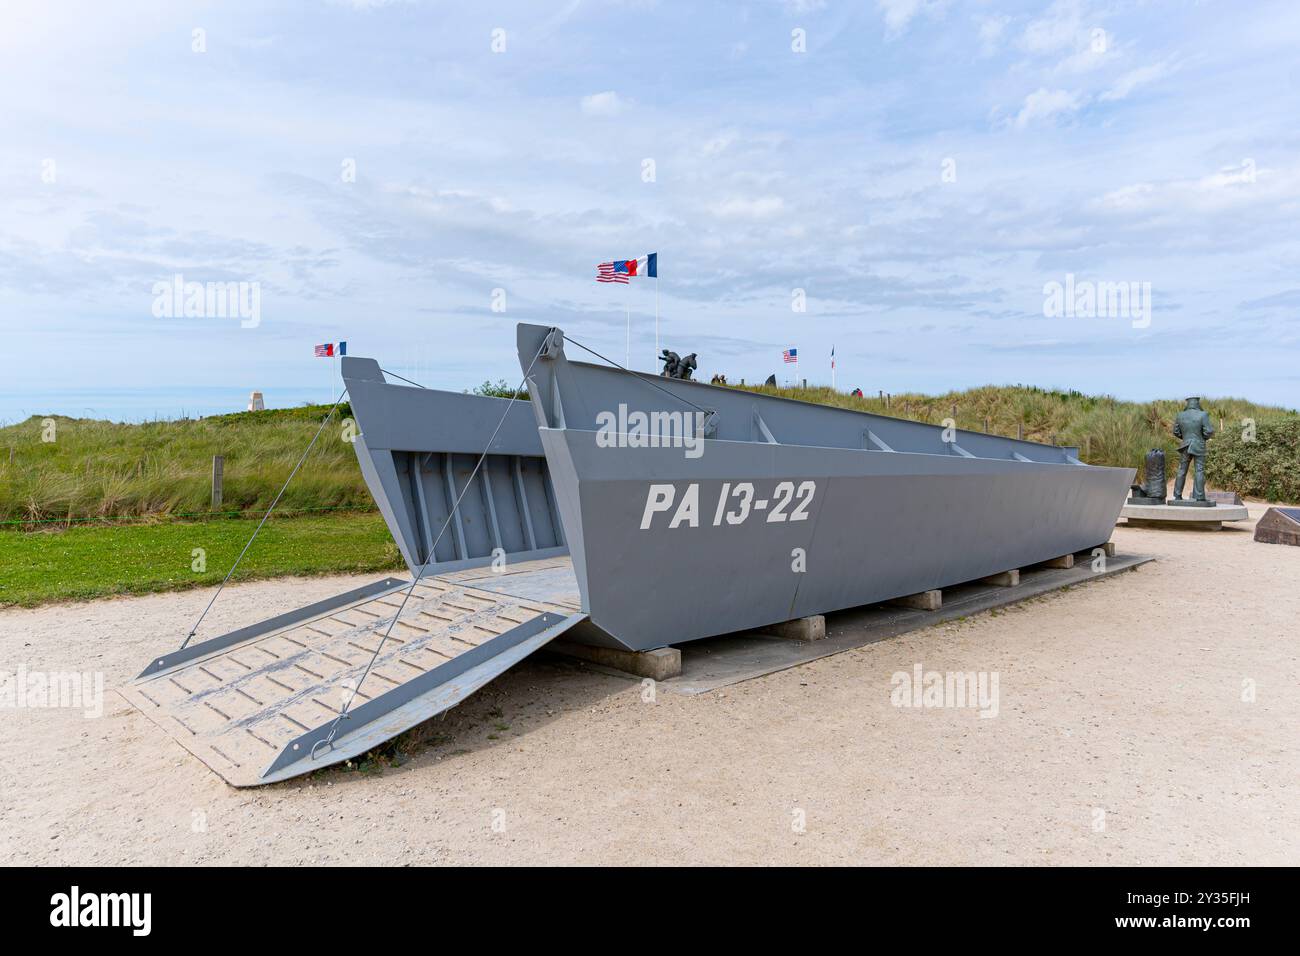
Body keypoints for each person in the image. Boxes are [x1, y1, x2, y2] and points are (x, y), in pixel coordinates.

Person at [1172, 396, 1215, 502]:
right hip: (1199, 445)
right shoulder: (1203, 414)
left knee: (1182, 470)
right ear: (1197, 403)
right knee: (1199, 470)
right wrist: (1202, 438)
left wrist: (1185, 438)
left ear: (1188, 403)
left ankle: (1177, 496)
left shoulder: (1180, 415)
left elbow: (1176, 431)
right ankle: (1199, 496)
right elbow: (1209, 431)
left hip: (1185, 445)